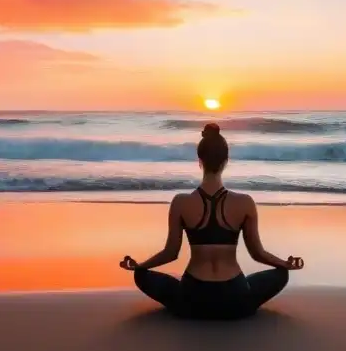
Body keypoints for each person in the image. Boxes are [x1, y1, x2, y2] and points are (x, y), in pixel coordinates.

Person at [120, 122, 304, 320]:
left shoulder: (181, 202)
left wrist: (139, 266)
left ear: (199, 161)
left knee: (141, 275)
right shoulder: (244, 203)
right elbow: (257, 254)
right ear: (226, 161)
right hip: (235, 298)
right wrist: (285, 264)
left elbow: (170, 253)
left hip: (193, 297)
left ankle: (187, 308)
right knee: (280, 275)